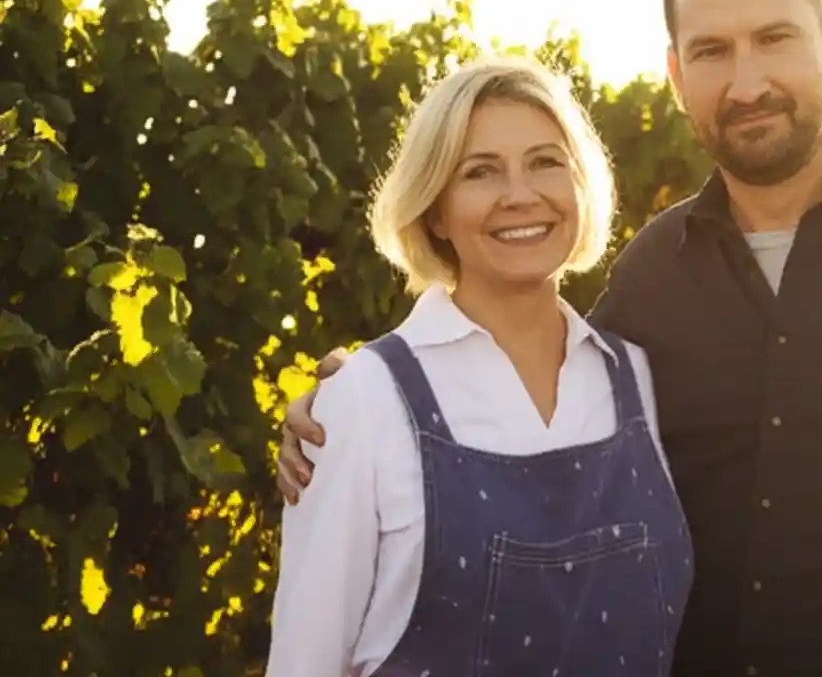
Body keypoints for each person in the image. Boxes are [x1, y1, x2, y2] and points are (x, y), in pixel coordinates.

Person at [275, 0, 822, 674]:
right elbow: (530, 387)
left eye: (774, 38)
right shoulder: (654, 276)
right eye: (712, 50)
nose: (747, 82)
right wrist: (365, 394)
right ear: (678, 75)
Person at [265, 57, 694, 677]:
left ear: (581, 186)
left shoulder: (635, 377)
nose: (520, 195)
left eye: (546, 162)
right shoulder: (364, 399)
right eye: (480, 172)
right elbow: (304, 662)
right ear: (435, 210)